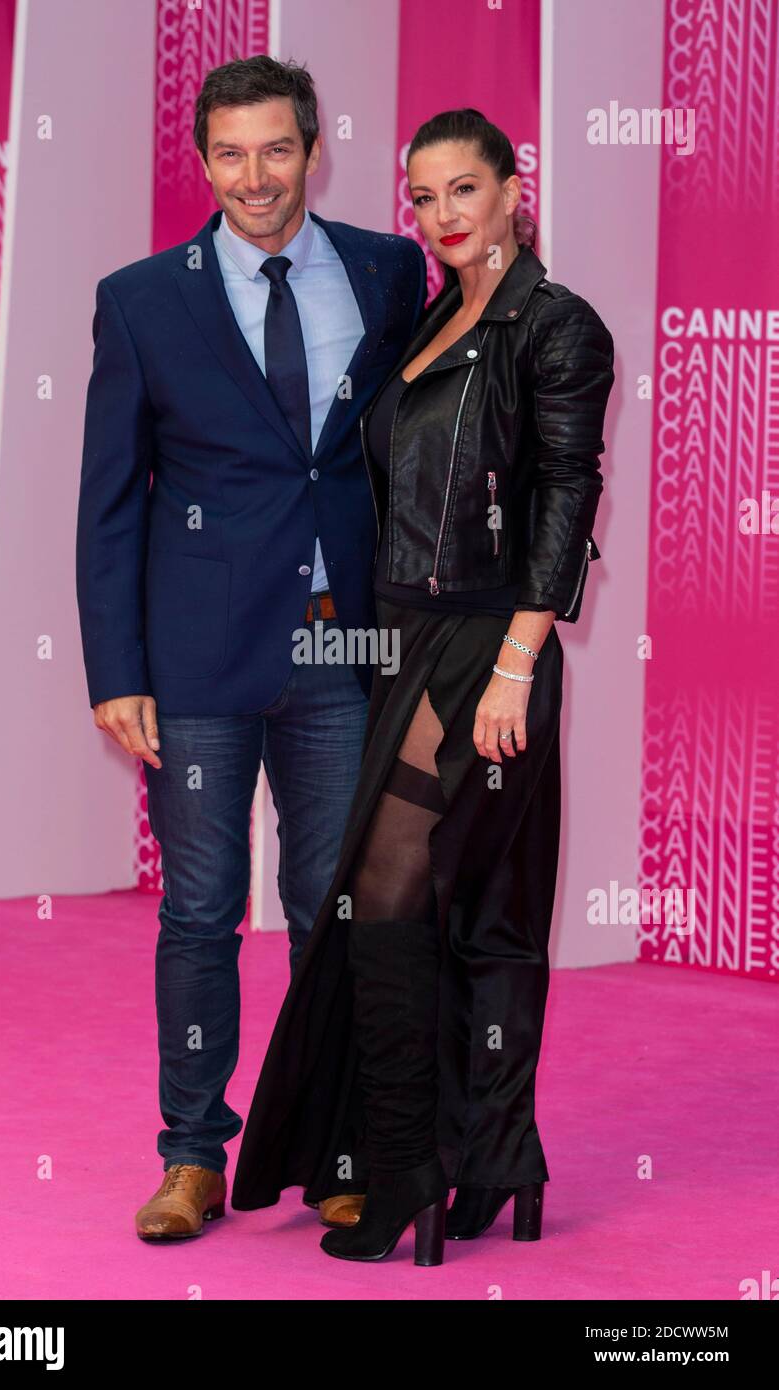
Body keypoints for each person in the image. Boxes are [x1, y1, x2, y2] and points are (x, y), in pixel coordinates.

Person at [231, 108, 615, 1266]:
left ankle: (409, 1162)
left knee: (392, 895)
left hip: (479, 649)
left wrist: (513, 666)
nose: (443, 217)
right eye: (424, 198)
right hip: (401, 641)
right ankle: (491, 1157)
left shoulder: (555, 327)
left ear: (512, 187)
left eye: (463, 191)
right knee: (466, 910)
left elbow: (562, 506)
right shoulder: (436, 312)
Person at [74, 55, 426, 1241]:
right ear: (203, 160)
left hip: (341, 648)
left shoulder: (386, 271)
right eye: (229, 153)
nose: (255, 177)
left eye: (277, 150)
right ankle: (190, 1154)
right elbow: (111, 499)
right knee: (200, 910)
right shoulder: (140, 298)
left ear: (314, 148)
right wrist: (117, 669)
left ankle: (333, 1139)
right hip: (199, 659)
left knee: (334, 909)